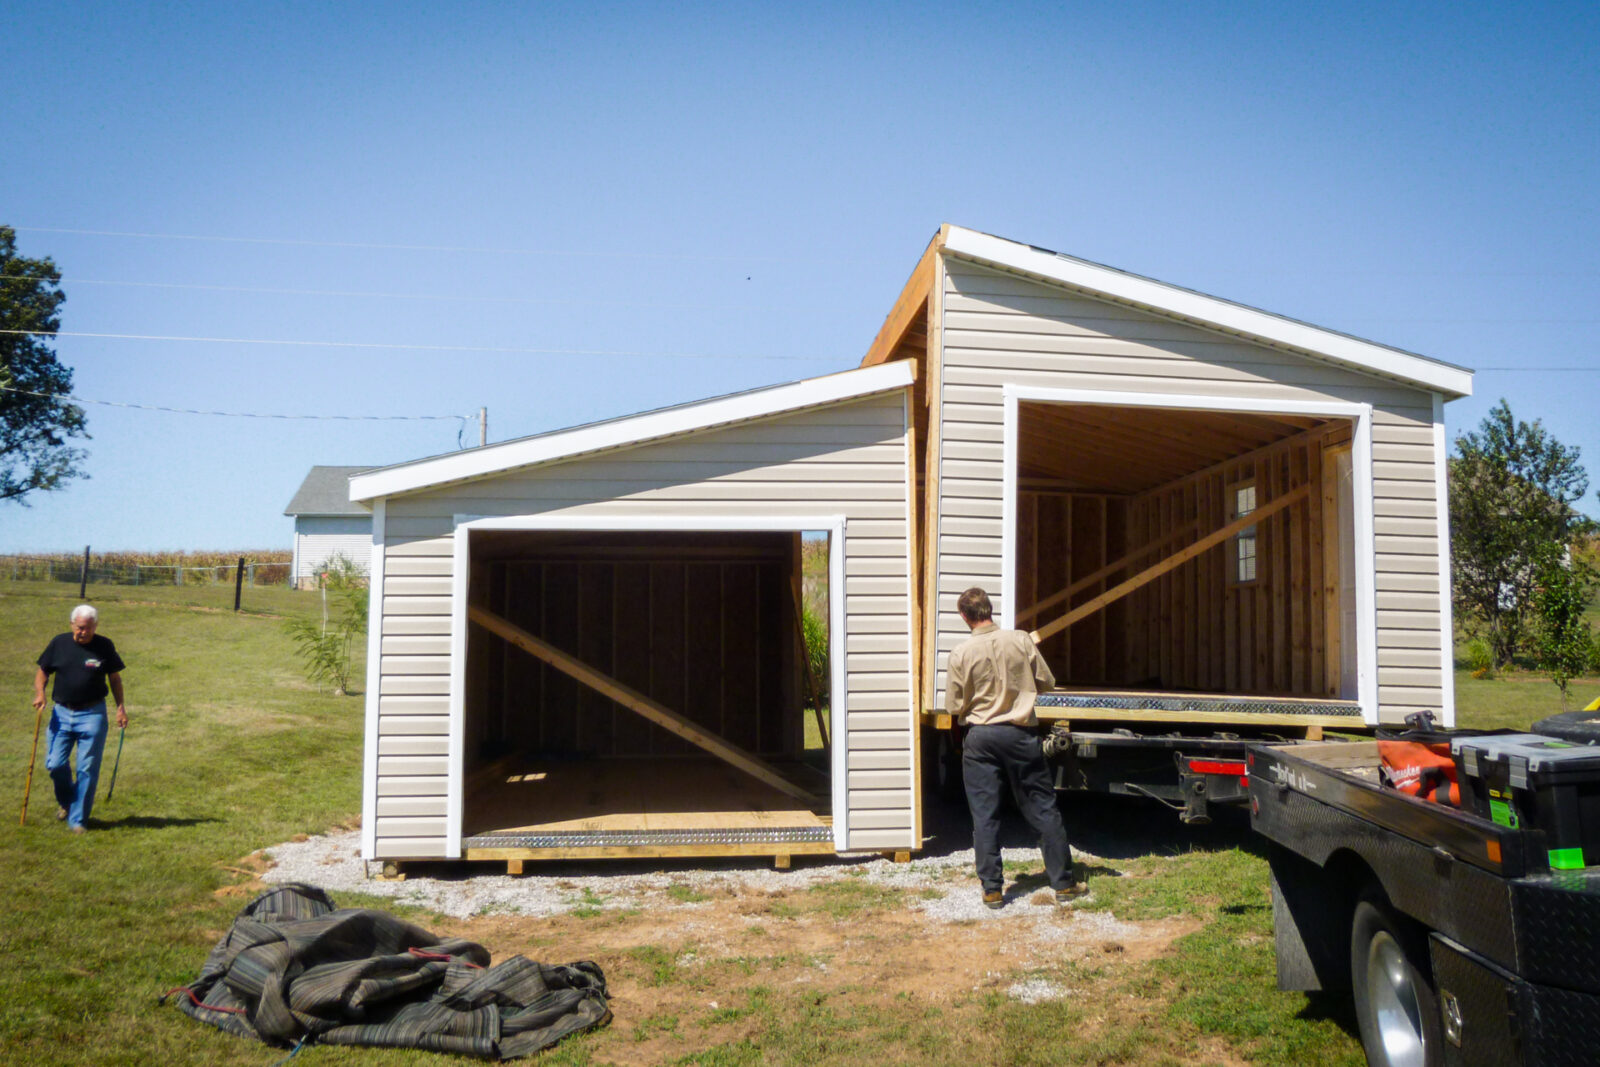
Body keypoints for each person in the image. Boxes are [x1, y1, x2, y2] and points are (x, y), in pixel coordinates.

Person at [944, 587, 1084, 909]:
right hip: (1021, 734)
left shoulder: (961, 653)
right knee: (1043, 809)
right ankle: (1064, 884)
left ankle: (992, 890)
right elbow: (1047, 682)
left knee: (985, 814)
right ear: (990, 609)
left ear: (964, 616)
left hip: (981, 737)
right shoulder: (1021, 640)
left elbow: (954, 705)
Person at [33, 604, 128, 834]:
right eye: (79, 627)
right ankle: (67, 801)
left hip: (93, 714)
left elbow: (114, 679)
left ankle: (78, 820)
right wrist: (40, 693)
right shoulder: (59, 643)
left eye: (87, 628)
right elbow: (43, 671)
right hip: (62, 713)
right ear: (71, 624)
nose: (82, 632)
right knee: (54, 764)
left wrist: (120, 708)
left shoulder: (104, 646)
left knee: (87, 768)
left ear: (95, 626)